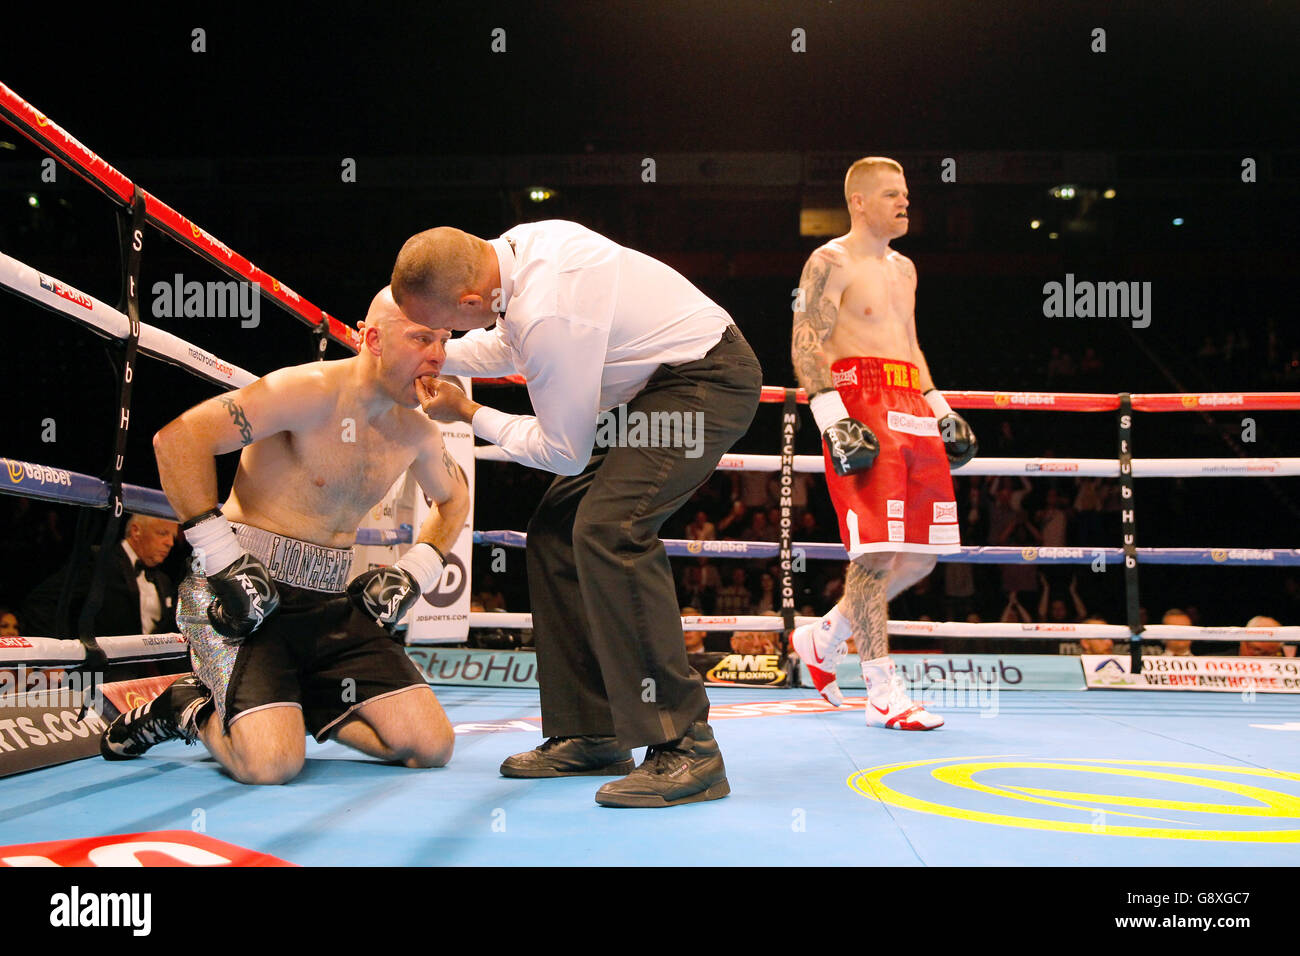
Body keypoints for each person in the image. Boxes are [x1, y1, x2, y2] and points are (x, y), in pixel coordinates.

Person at [392, 219, 762, 808]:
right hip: (649, 390)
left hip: (704, 381)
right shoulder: (515, 255)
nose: (442, 338)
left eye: (442, 328)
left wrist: (469, 413)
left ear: (466, 300)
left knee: (611, 529)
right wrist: (426, 355)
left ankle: (687, 746)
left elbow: (564, 452)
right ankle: (593, 731)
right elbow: (506, 345)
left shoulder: (549, 310)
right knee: (559, 528)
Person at [99, 288, 468, 785]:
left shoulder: (418, 433)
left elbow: (454, 500)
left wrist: (417, 569)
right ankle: (183, 706)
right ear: (374, 339)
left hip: (330, 606)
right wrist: (221, 556)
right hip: (239, 603)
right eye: (422, 337)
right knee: (273, 765)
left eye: (444, 340)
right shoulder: (307, 391)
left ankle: (295, 699)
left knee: (431, 746)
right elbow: (180, 439)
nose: (437, 355)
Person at [788, 157, 975, 731]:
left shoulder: (906, 269)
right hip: (859, 401)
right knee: (872, 555)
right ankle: (881, 691)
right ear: (859, 202)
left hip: (912, 405)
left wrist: (942, 408)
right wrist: (831, 416)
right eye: (893, 194)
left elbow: (911, 346)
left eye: (907, 195)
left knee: (920, 553)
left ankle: (825, 636)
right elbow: (804, 342)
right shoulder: (829, 260)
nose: (905, 203)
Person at [22, 513, 180, 638]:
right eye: (162, 533)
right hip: (99, 674)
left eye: (172, 536)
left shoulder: (163, 580)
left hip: (148, 674)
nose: (170, 543)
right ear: (135, 531)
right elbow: (42, 600)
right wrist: (54, 657)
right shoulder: (99, 561)